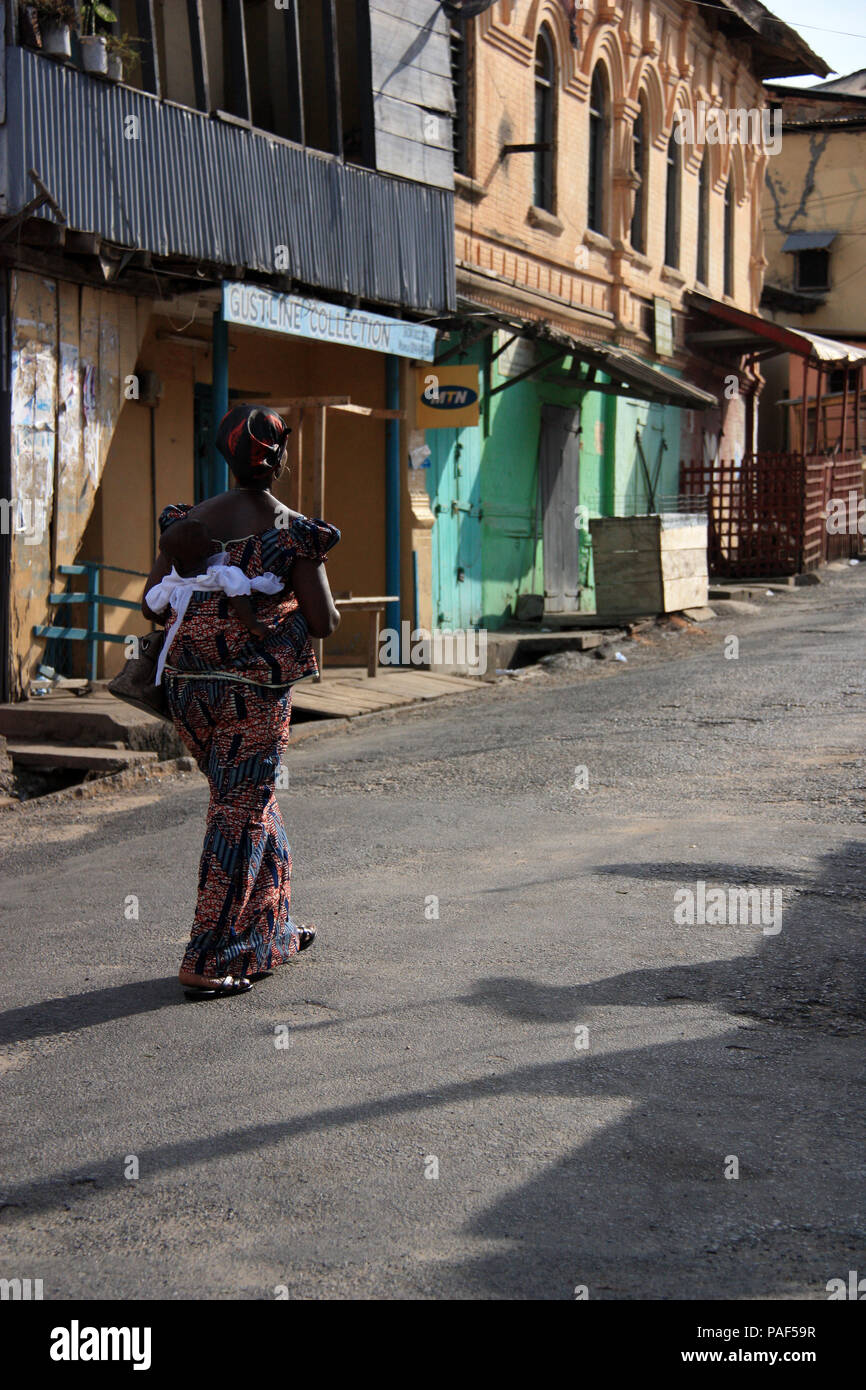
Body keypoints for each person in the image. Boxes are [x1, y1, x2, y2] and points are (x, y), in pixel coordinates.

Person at [141, 404, 341, 997]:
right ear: (281, 459)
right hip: (252, 696)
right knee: (240, 813)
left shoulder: (186, 521)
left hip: (187, 690)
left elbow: (152, 606)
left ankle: (269, 929)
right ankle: (208, 957)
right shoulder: (293, 531)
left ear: (225, 456)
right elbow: (324, 621)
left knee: (250, 799)